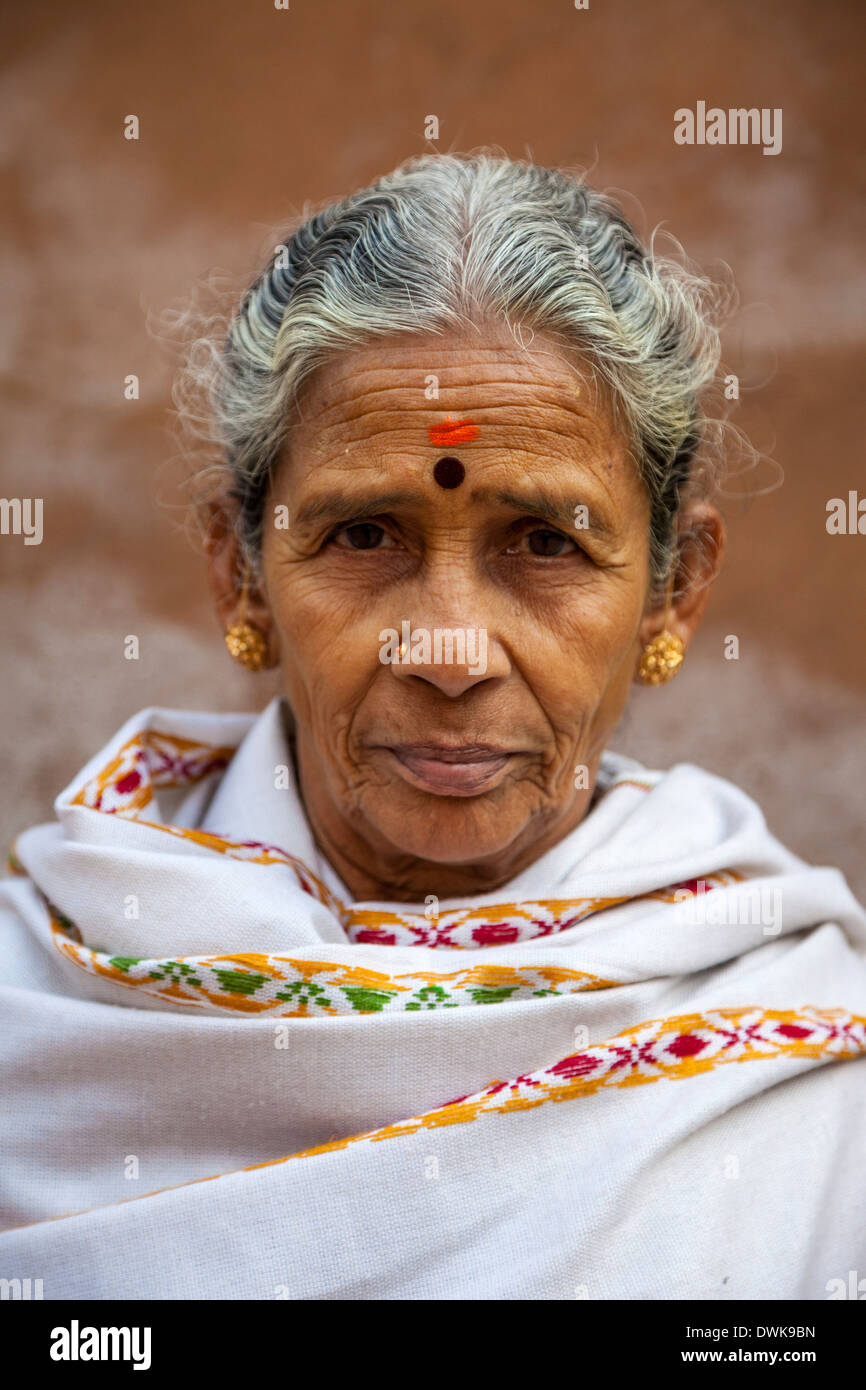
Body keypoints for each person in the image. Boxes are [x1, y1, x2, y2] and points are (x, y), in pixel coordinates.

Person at [1, 153, 864, 1300]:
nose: (449, 652)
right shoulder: (35, 1007)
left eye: (545, 543)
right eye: (364, 537)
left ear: (672, 589)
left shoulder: (805, 1067)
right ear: (238, 571)